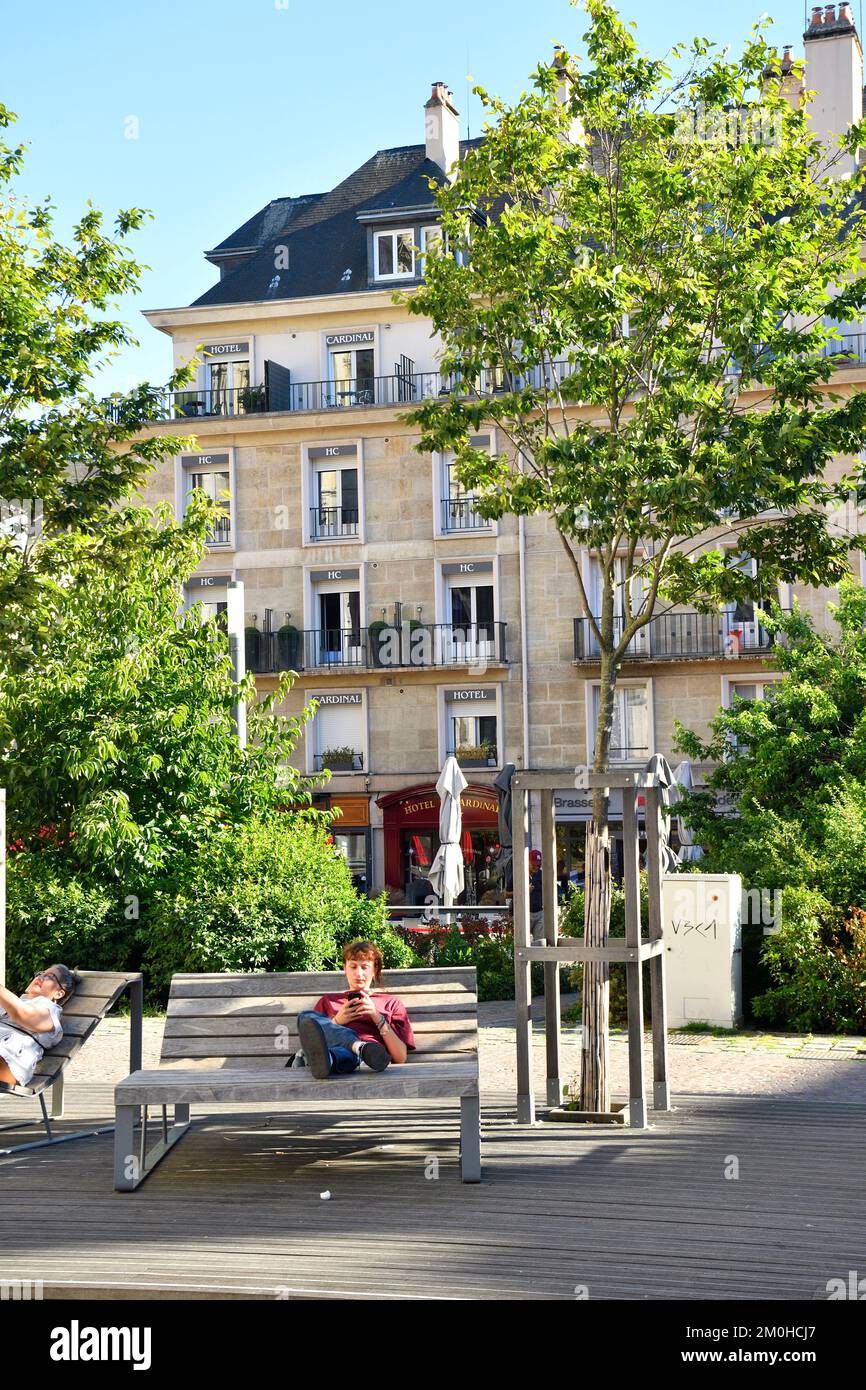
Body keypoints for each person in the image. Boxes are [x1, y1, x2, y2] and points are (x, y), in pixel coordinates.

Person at [294, 940, 416, 1080]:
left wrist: (377, 1017)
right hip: (333, 1049)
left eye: (364, 967)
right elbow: (312, 1036)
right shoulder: (327, 1001)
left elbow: (400, 1057)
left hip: (370, 1059)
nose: (359, 974)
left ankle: (350, 1053)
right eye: (353, 967)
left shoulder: (391, 1003)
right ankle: (357, 1047)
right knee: (305, 1016)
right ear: (345, 968)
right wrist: (337, 1021)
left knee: (351, 1055)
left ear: (374, 970)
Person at [0, 965, 77, 1090]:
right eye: (40, 973)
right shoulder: (17, 1004)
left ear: (59, 993)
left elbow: (23, 1014)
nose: (41, 977)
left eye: (50, 976)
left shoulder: (50, 1011)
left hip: (8, 1061)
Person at [528, 849, 545, 942]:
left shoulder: (541, 874)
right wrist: (525, 891)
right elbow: (506, 894)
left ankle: (538, 956)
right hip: (525, 913)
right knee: (523, 942)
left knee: (539, 942)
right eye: (534, 864)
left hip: (539, 912)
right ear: (528, 862)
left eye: (538, 865)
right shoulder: (520, 874)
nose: (536, 867)